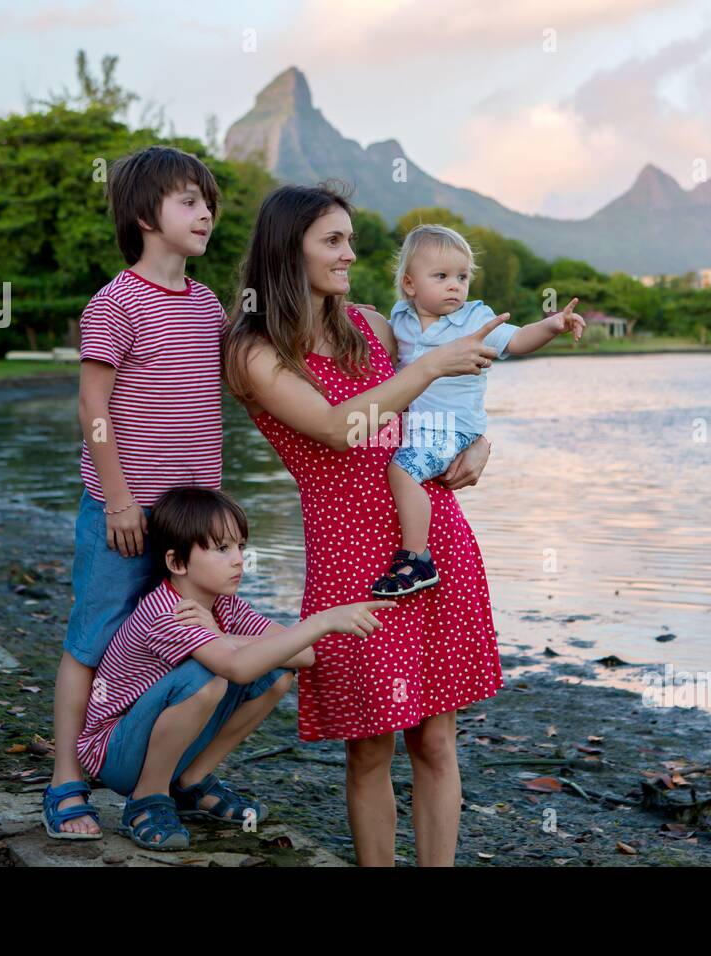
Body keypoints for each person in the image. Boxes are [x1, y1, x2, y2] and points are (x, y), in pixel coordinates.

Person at [222, 181, 503, 866]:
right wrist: (436, 358)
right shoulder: (255, 352)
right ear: (292, 249)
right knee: (371, 744)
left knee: (437, 739)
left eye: (350, 239)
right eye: (334, 241)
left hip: (433, 540)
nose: (350, 254)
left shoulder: (375, 327)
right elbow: (340, 428)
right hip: (353, 560)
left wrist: (479, 443)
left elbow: (442, 403)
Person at [43, 145, 231, 840]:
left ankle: (170, 777)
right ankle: (67, 776)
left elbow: (241, 374)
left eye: (207, 201)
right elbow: (92, 402)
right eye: (188, 200)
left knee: (187, 645)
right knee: (93, 641)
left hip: (192, 523)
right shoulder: (117, 301)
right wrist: (119, 501)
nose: (205, 211)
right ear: (144, 215)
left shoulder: (208, 303)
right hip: (124, 513)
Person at [76, 486, 394, 849]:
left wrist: (220, 634)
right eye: (222, 549)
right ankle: (147, 798)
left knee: (276, 673)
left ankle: (190, 784)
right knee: (206, 678)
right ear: (177, 563)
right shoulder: (168, 611)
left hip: (165, 743)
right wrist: (323, 621)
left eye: (241, 547)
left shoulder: (224, 605)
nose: (239, 560)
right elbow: (237, 668)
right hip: (116, 751)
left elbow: (303, 657)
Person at [373, 224, 585, 597]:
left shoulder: (474, 319)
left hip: (453, 428)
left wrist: (553, 325)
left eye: (462, 276)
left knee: (402, 471)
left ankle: (417, 559)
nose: (455, 285)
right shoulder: (401, 320)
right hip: (418, 427)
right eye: (441, 276)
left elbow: (517, 339)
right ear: (409, 284)